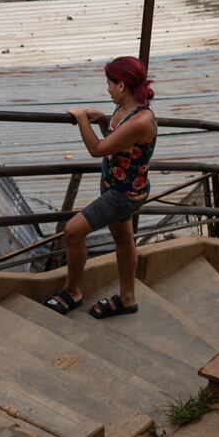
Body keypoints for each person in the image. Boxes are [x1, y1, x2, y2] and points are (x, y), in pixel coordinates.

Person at [44, 57, 158, 319]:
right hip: (116, 186)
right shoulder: (126, 108)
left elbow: (97, 149)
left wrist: (81, 117)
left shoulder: (141, 120)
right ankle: (127, 299)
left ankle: (72, 292)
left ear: (121, 85)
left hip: (123, 194)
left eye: (108, 83)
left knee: (72, 232)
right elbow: (119, 136)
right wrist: (102, 120)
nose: (106, 88)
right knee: (122, 238)